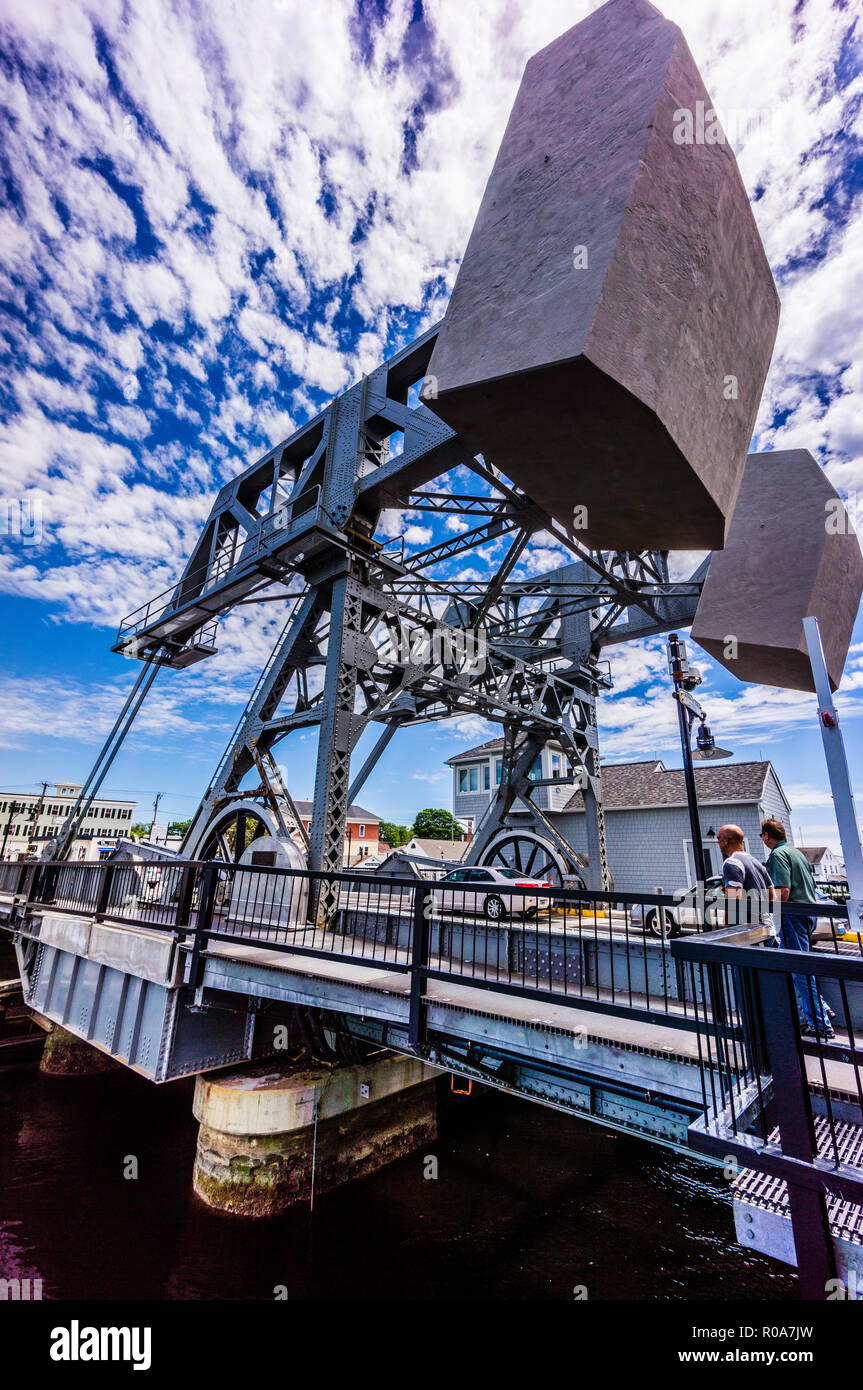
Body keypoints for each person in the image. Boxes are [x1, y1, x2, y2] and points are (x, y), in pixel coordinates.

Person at [760, 817, 834, 1039]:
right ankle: (821, 1010)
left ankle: (821, 1024)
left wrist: (771, 913)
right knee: (803, 965)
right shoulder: (796, 853)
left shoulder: (777, 856)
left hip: (792, 914)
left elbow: (783, 891)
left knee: (799, 968)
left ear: (767, 836)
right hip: (808, 912)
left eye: (762, 835)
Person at [716, 824, 775, 931]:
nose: (717, 841)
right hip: (767, 928)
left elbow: (733, 900)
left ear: (727, 840)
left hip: (748, 931)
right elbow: (773, 895)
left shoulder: (732, 863)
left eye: (718, 838)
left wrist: (727, 926)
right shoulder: (756, 863)